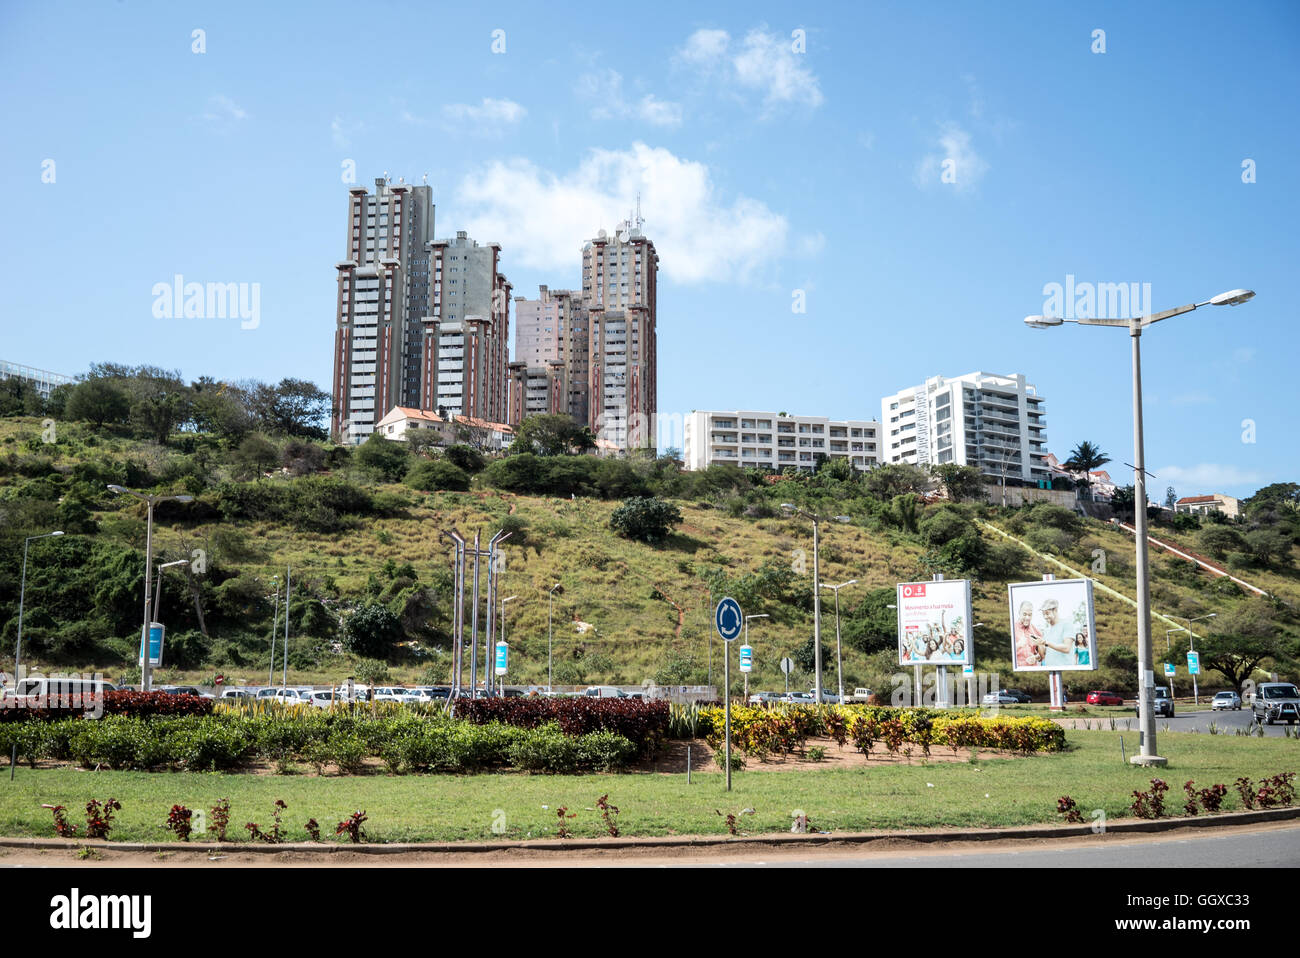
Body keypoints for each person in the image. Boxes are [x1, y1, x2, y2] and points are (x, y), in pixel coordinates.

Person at [1038, 599, 1074, 669]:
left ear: (1055, 610)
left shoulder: (1067, 624)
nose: (1045, 617)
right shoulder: (1046, 630)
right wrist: (1039, 645)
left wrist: (1046, 643)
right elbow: (1045, 654)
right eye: (1043, 614)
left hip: (1065, 671)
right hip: (1050, 671)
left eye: (1047, 613)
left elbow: (1066, 648)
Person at [1013, 601, 1042, 667]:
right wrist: (1018, 645)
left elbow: (1042, 654)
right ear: (1019, 613)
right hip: (1018, 671)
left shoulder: (1036, 631)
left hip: (1032, 671)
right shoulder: (1012, 629)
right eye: (1024, 614)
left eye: (1030, 615)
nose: (1027, 618)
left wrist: (1035, 657)